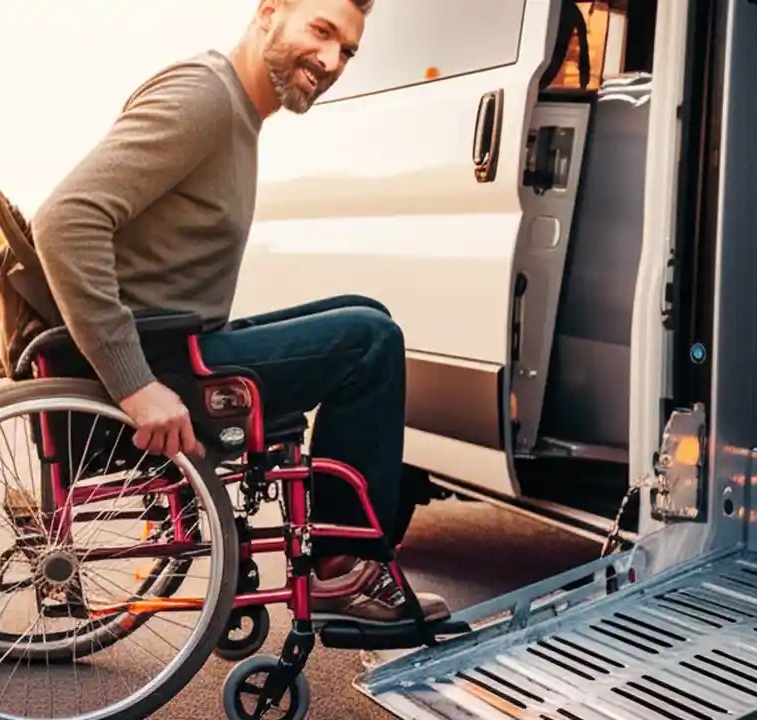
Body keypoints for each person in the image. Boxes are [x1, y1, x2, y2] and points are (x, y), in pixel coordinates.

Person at [30, 0, 449, 624]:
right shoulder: (205, 98)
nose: (332, 61)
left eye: (348, 51)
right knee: (371, 342)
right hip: (161, 363)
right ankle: (342, 568)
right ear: (269, 12)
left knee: (366, 312)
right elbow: (65, 221)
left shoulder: (238, 112)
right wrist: (135, 385)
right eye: (322, 31)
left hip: (177, 339)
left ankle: (342, 557)